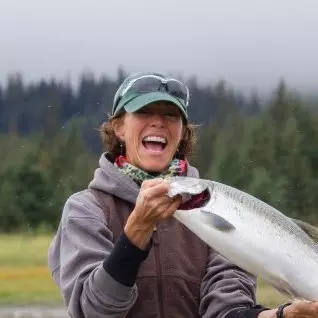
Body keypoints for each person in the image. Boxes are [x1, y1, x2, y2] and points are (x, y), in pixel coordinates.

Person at [48, 72, 318, 318]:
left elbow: (226, 309)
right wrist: (136, 234)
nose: (158, 122)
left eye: (171, 116)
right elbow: (93, 311)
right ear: (119, 127)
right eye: (144, 112)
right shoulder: (86, 209)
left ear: (182, 132)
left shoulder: (219, 208)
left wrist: (281, 316)